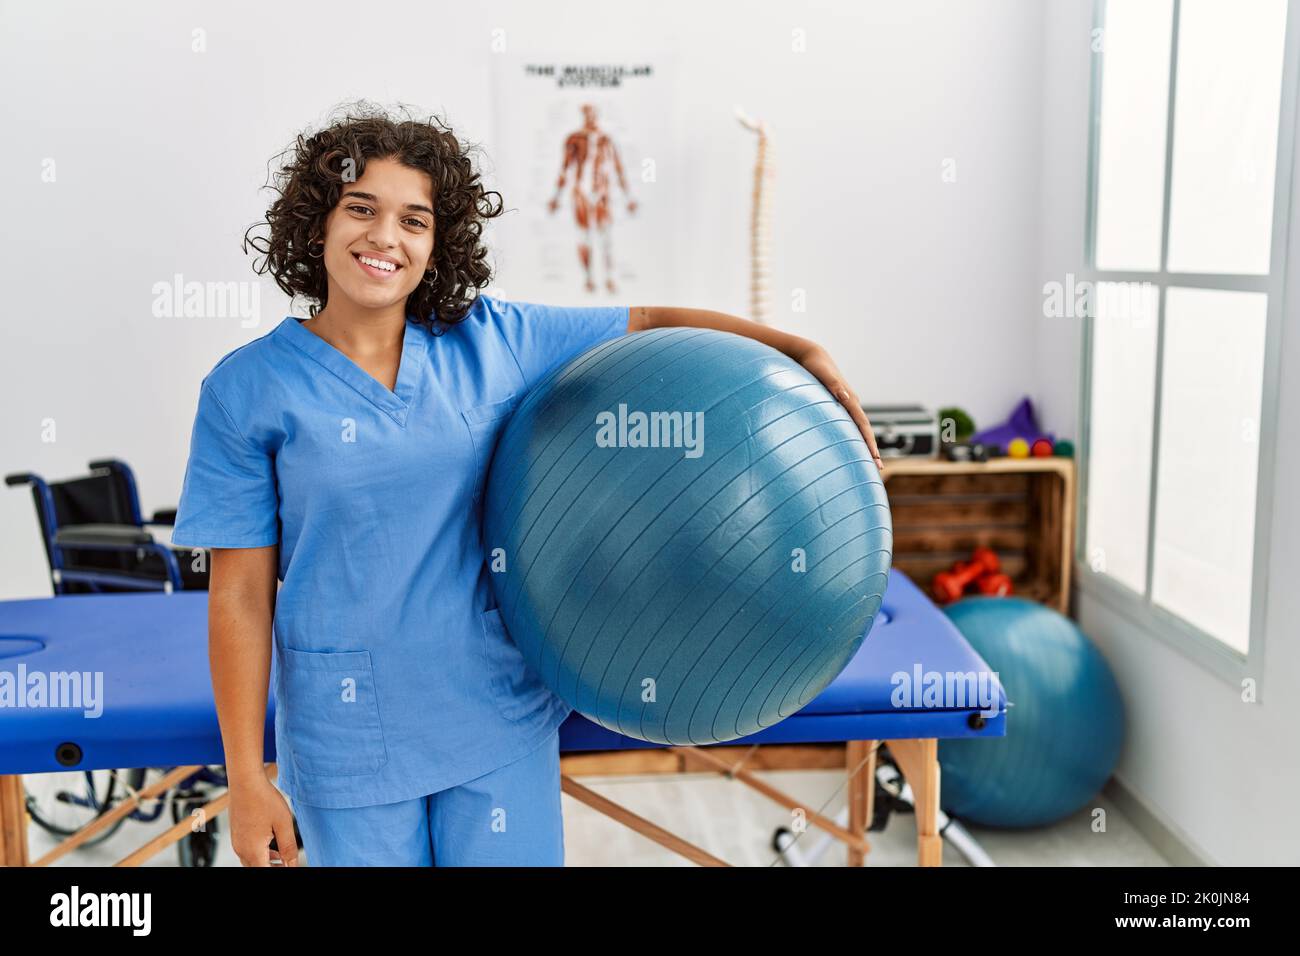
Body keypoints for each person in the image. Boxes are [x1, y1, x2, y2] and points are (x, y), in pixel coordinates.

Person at [171, 101, 882, 868]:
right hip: (350, 744)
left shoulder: (495, 339)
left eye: (414, 220)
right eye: (361, 209)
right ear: (317, 224)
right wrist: (247, 776)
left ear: (436, 244)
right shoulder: (245, 391)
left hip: (493, 719)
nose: (385, 237)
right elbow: (239, 595)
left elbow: (646, 321)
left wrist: (796, 347)